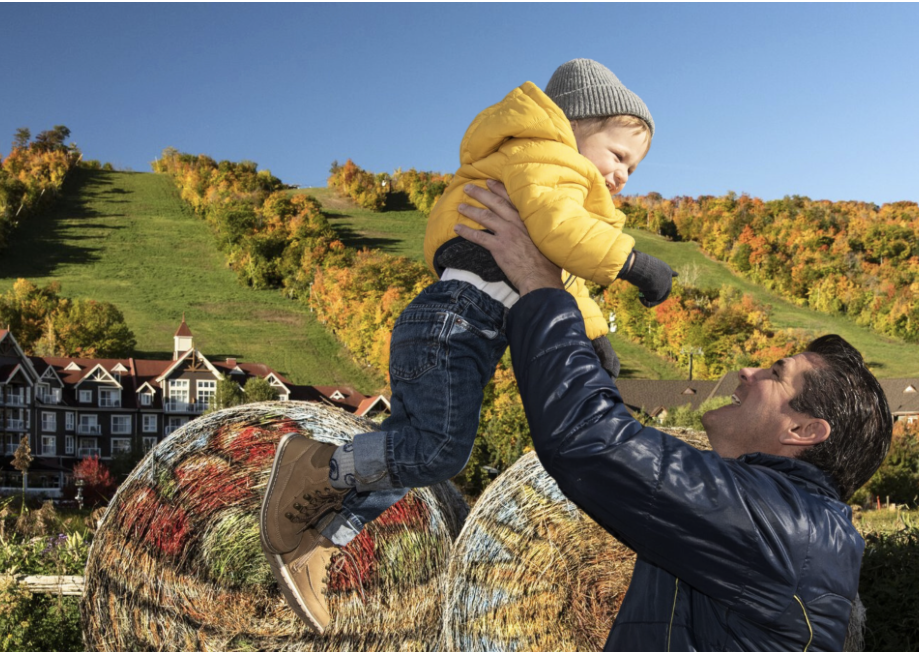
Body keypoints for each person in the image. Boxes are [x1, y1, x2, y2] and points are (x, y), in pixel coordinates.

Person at [259, 58, 677, 633]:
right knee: (439, 453)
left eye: (633, 167)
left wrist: (595, 334)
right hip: (455, 321)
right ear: (574, 126)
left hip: (462, 329)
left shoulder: (545, 179)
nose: (624, 175)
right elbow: (561, 235)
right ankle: (317, 465)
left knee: (408, 460)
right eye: (619, 156)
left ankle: (318, 541)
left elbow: (556, 272)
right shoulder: (543, 159)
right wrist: (633, 263)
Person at [450, 180, 892, 651]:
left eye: (776, 373)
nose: (748, 371)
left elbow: (595, 443)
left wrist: (540, 286)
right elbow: (630, 475)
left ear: (803, 430)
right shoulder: (790, 525)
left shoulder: (782, 523)